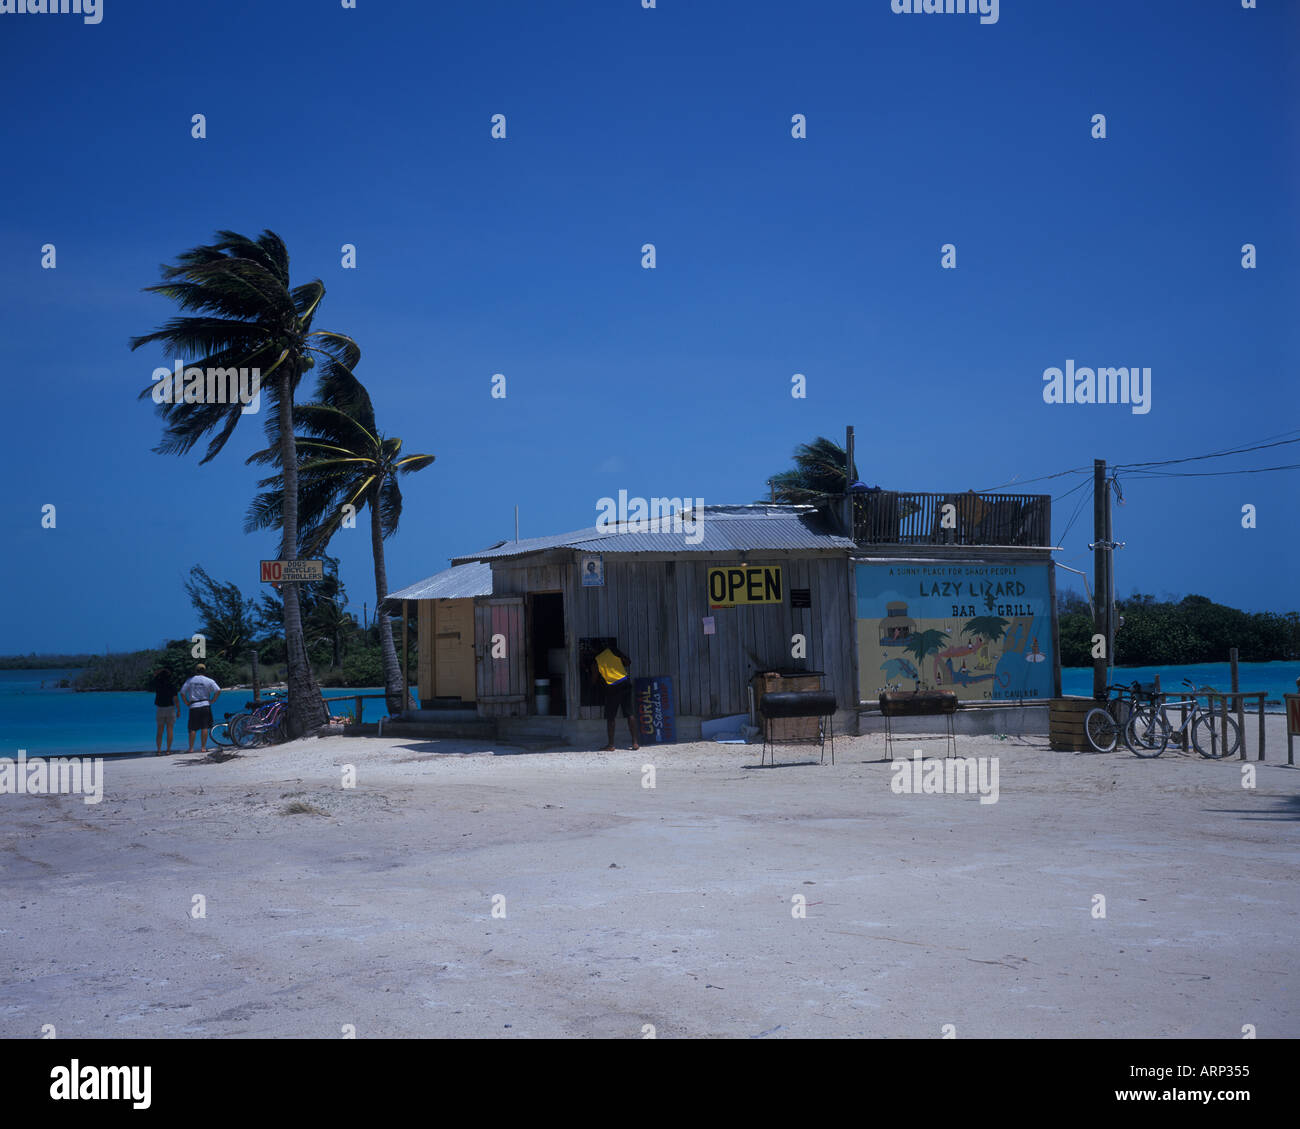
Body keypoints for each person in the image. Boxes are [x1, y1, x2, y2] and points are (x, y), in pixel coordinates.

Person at [590, 643, 639, 752]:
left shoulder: (595, 662)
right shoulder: (612, 650)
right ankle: (635, 743)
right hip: (625, 683)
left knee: (611, 717)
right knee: (629, 713)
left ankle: (611, 745)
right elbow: (628, 662)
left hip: (612, 688)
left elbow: (593, 680)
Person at [179, 663, 222, 753]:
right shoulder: (209, 680)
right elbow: (218, 690)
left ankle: (191, 748)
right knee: (204, 726)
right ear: (204, 670)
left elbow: (182, 692)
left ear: (196, 670)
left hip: (194, 706)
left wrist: (186, 702)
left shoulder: (190, 680)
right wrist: (213, 700)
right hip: (205, 704)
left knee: (192, 728)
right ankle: (203, 747)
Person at [150, 666, 181, 755]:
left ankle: (159, 750)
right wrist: (178, 710)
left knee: (160, 730)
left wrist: (161, 670)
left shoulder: (157, 683)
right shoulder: (172, 685)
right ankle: (168, 750)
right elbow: (176, 699)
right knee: (170, 730)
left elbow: (154, 674)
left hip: (160, 708)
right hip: (170, 709)